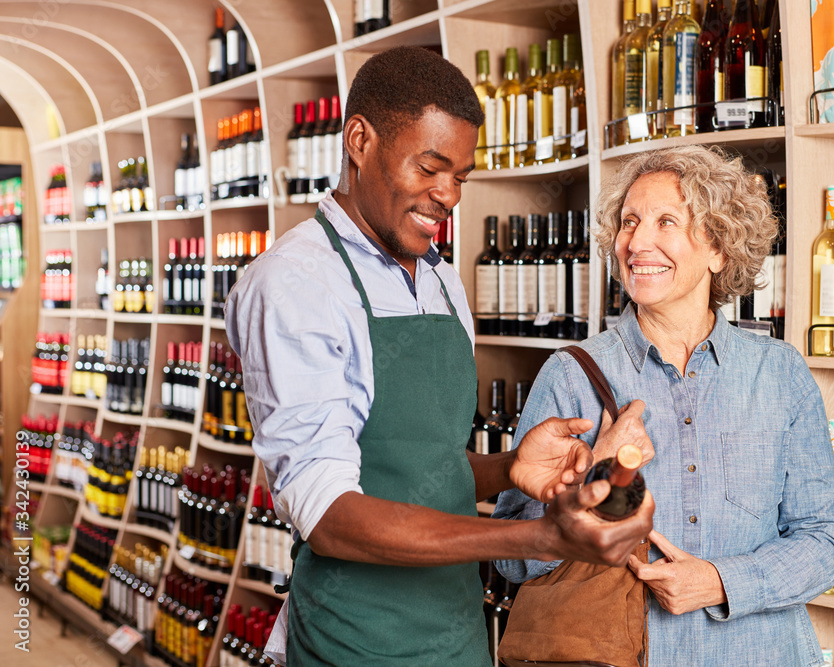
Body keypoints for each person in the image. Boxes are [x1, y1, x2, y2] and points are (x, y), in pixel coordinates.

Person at [224, 46, 654, 667]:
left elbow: (414, 462)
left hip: (457, 629)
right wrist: (538, 534)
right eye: (430, 167)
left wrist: (508, 467)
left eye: (461, 176)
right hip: (357, 640)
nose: (447, 195)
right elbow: (328, 514)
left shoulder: (441, 279)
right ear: (359, 140)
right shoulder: (295, 284)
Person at [494, 145, 834, 665]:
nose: (637, 242)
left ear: (719, 249)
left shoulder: (779, 373)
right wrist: (595, 476)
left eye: (666, 222)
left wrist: (720, 582)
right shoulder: (571, 374)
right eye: (630, 222)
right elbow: (510, 555)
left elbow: (823, 540)